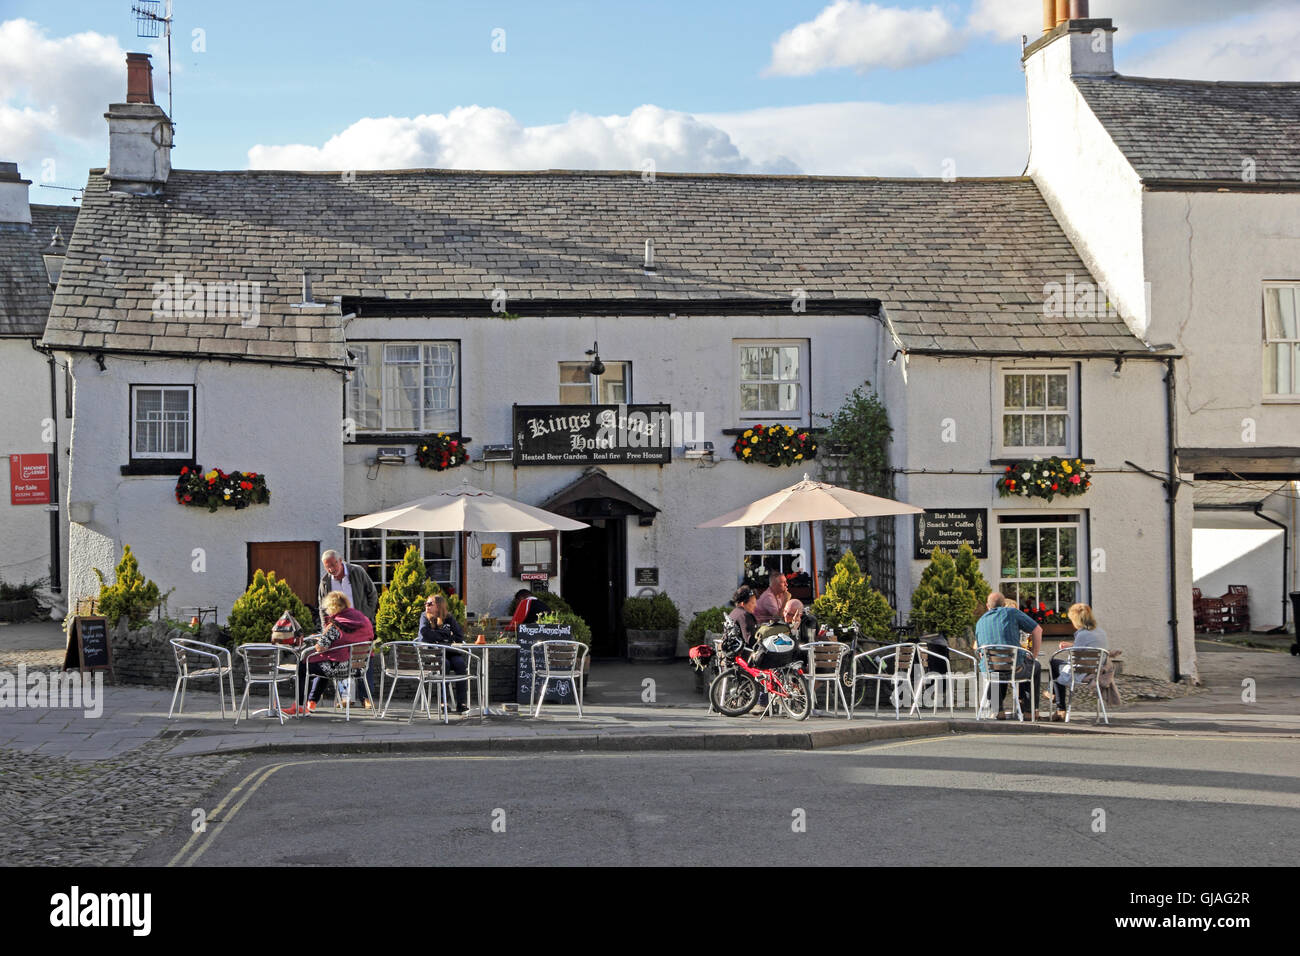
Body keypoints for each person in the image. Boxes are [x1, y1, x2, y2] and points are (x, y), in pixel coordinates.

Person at [283, 591, 374, 715]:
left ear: (333, 607)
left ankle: (299, 705)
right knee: (323, 664)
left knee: (304, 666)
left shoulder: (336, 624)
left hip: (339, 668)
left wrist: (319, 641)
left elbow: (320, 648)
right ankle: (311, 702)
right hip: (359, 668)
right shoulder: (364, 621)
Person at [318, 550, 378, 706]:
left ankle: (366, 697)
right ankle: (346, 698)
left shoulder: (357, 572)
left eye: (333, 564)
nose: (331, 569)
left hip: (360, 624)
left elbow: (372, 593)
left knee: (364, 658)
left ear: (341, 561)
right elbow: (322, 607)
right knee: (341, 659)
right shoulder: (325, 582)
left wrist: (367, 617)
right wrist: (326, 626)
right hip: (339, 626)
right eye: (327, 566)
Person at [973, 592, 1042, 719]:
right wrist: (1033, 655)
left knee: (996, 670)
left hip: (990, 670)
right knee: (1034, 665)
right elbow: (1037, 630)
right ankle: (1028, 710)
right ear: (1004, 604)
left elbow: (978, 648)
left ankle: (997, 710)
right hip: (1014, 669)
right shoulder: (1011, 613)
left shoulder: (980, 621)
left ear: (988, 606)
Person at [1050, 603, 1109, 721]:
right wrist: (1072, 645)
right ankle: (1055, 699)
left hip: (1081, 672)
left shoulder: (1082, 634)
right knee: (1057, 666)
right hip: (1096, 672)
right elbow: (1088, 649)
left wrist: (1069, 649)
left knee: (1054, 662)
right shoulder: (1101, 632)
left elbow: (1073, 658)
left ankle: (1059, 705)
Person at [418, 593, 471, 715]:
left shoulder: (449, 618)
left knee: (460, 664)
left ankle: (461, 703)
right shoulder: (424, 617)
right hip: (434, 653)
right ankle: (443, 702)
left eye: (430, 604)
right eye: (426, 603)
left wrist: (439, 637)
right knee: (445, 664)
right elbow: (424, 633)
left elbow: (459, 636)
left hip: (450, 651)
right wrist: (446, 635)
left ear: (439, 606)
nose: (427, 606)